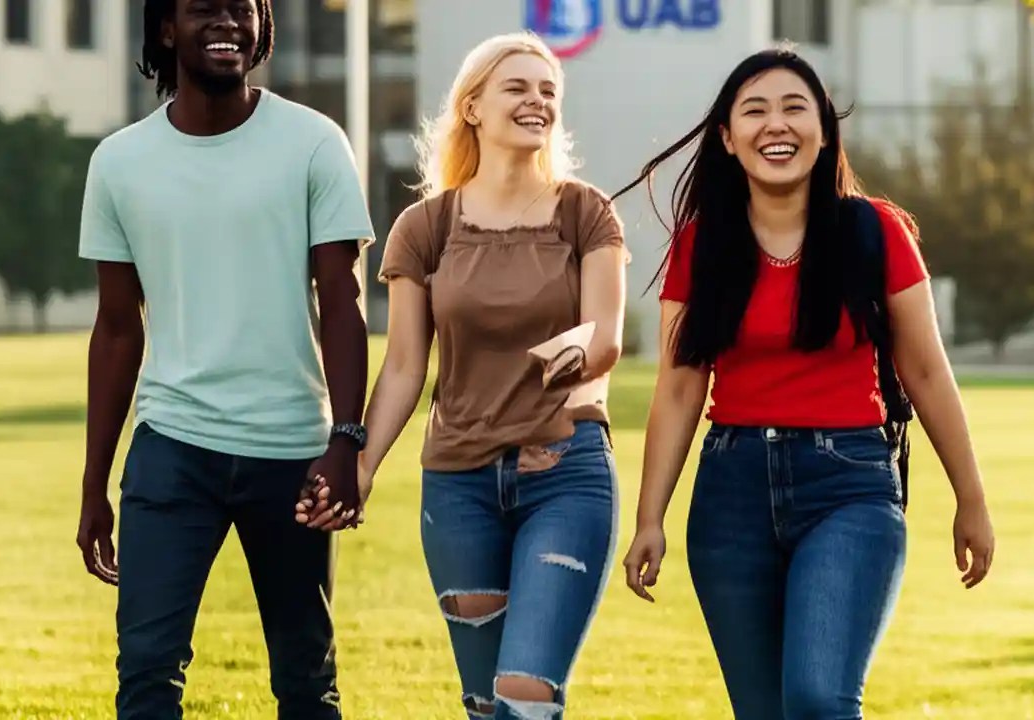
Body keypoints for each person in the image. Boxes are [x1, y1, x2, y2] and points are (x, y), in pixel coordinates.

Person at [614, 47, 996, 718]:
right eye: (754, 111)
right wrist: (651, 516)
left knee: (819, 698)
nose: (776, 126)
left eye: (795, 108)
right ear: (729, 140)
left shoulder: (875, 231)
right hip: (730, 493)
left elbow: (928, 371)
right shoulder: (702, 245)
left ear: (824, 130)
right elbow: (679, 387)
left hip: (849, 485)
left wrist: (972, 500)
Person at [309, 31, 627, 720]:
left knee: (526, 692)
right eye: (517, 87)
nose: (537, 100)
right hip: (458, 485)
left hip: (565, 474)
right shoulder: (424, 228)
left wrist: (534, 368)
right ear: (473, 107)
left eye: (548, 91)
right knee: (486, 704)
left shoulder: (587, 213)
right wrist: (360, 468)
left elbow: (605, 340)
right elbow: (402, 366)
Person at [74, 0, 374, 717]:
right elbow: (118, 329)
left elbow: (342, 300)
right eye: (204, 9)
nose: (228, 24)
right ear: (167, 29)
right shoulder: (119, 163)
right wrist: (95, 486)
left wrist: (347, 443)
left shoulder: (312, 143)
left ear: (263, 26)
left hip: (292, 453)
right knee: (146, 672)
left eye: (242, 10)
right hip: (172, 449)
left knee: (306, 680)